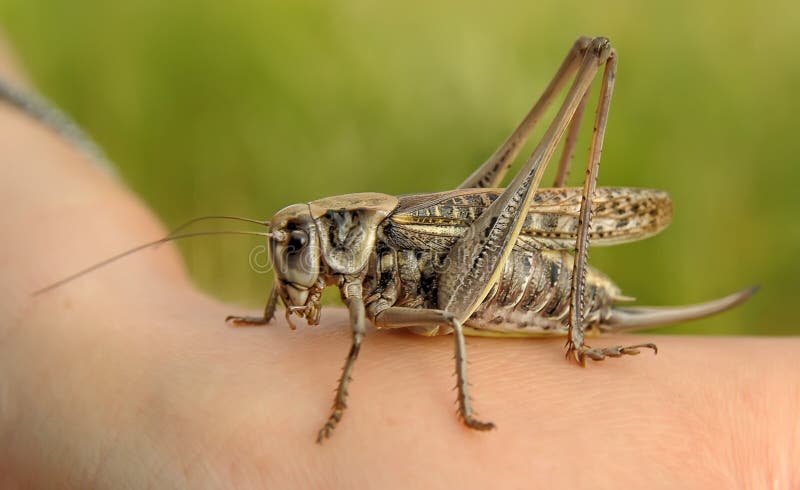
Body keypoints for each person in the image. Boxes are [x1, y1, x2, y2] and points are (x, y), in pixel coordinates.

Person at [0, 36, 795, 489]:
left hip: (509, 279)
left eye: (300, 246)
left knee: (586, 67)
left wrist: (344, 400)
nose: (292, 262)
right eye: (290, 250)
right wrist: (265, 314)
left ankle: (581, 333)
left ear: (337, 234)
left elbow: (393, 326)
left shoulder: (382, 251)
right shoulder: (332, 262)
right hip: (473, 263)